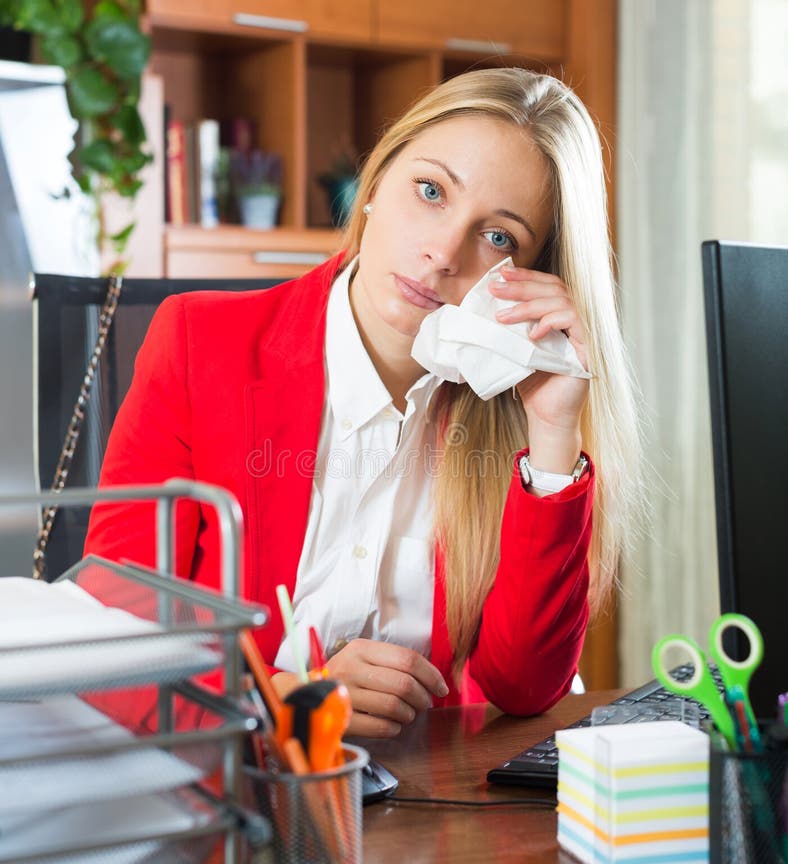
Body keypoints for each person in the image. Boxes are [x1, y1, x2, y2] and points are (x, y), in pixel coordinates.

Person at [84, 67, 641, 738]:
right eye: (430, 191)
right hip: (240, 786)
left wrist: (553, 428)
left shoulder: (506, 414)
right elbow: (115, 638)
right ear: (376, 182)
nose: (441, 253)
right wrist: (285, 702)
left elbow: (523, 688)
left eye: (499, 237)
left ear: (530, 276)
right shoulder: (198, 344)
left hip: (432, 811)